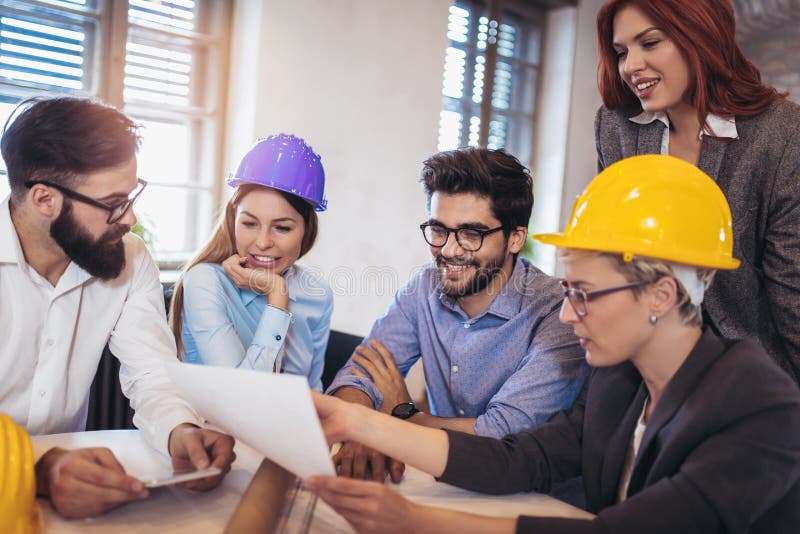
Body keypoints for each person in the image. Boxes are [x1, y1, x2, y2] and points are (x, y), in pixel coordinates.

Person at [305, 155, 800, 533]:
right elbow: (517, 459)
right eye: (568, 291)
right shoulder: (619, 384)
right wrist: (357, 420)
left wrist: (418, 520)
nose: (566, 313)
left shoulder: (759, 403)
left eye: (584, 294)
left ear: (661, 294)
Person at [0, 96, 235, 519]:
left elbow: (152, 374)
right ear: (44, 199)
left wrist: (180, 430)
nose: (130, 218)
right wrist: (36, 472)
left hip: (74, 495)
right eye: (112, 203)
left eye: (131, 195)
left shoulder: (131, 257)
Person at [326, 147, 588, 482]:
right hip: (447, 485)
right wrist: (359, 429)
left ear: (515, 238)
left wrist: (401, 418)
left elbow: (502, 436)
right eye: (439, 230)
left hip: (535, 500)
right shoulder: (423, 287)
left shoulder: (558, 313)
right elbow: (358, 375)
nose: (449, 250)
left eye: (471, 234)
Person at [594, 0, 800, 383]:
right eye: (621, 52)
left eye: (650, 43)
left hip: (744, 367)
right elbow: (610, 257)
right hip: (638, 359)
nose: (630, 66)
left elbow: (792, 288)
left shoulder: (782, 136)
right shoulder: (617, 127)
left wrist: (785, 399)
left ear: (700, 36)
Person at [169, 134, 332, 391]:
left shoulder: (318, 295)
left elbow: (311, 393)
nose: (263, 242)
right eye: (249, 223)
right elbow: (242, 395)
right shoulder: (205, 281)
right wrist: (277, 294)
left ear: (306, 230)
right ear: (233, 219)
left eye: (282, 228)